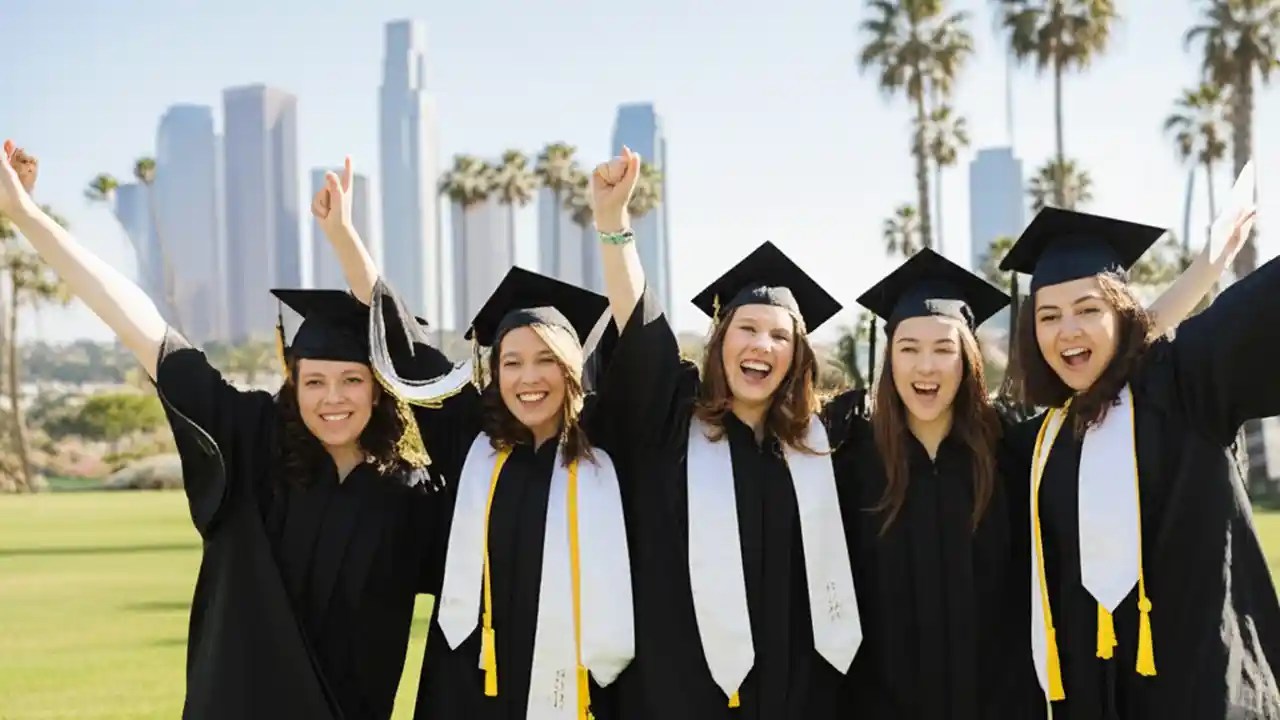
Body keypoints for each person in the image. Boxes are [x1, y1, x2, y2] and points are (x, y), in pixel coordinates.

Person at [0, 144, 447, 719]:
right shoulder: (252, 441)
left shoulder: (408, 491)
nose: (332, 399)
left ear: (378, 387)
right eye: (314, 382)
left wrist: (346, 243)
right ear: (293, 382)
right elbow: (144, 330)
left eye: (351, 381)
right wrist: (28, 217)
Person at [588, 149, 862, 719]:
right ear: (720, 342)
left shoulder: (823, 445)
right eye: (748, 329)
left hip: (795, 696)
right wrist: (615, 228)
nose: (762, 345)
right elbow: (643, 334)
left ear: (797, 356)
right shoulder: (670, 429)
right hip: (679, 694)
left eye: (779, 336)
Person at [999, 205, 1280, 719]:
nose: (1068, 332)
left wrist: (1208, 267)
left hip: (1206, 694)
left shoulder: (1186, 386)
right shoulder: (1039, 445)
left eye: (1088, 310)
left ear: (1122, 314)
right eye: (1048, 316)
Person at [355, 258, 634, 718]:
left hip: (581, 692)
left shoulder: (611, 454)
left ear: (571, 368)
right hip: (471, 687)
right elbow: (406, 343)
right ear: (495, 373)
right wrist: (344, 235)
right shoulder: (472, 444)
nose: (529, 377)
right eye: (512, 362)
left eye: (547, 359)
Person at [835, 247, 1035, 718]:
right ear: (889, 359)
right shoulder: (850, 458)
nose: (926, 366)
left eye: (944, 349)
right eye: (909, 349)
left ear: (968, 360)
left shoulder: (1012, 453)